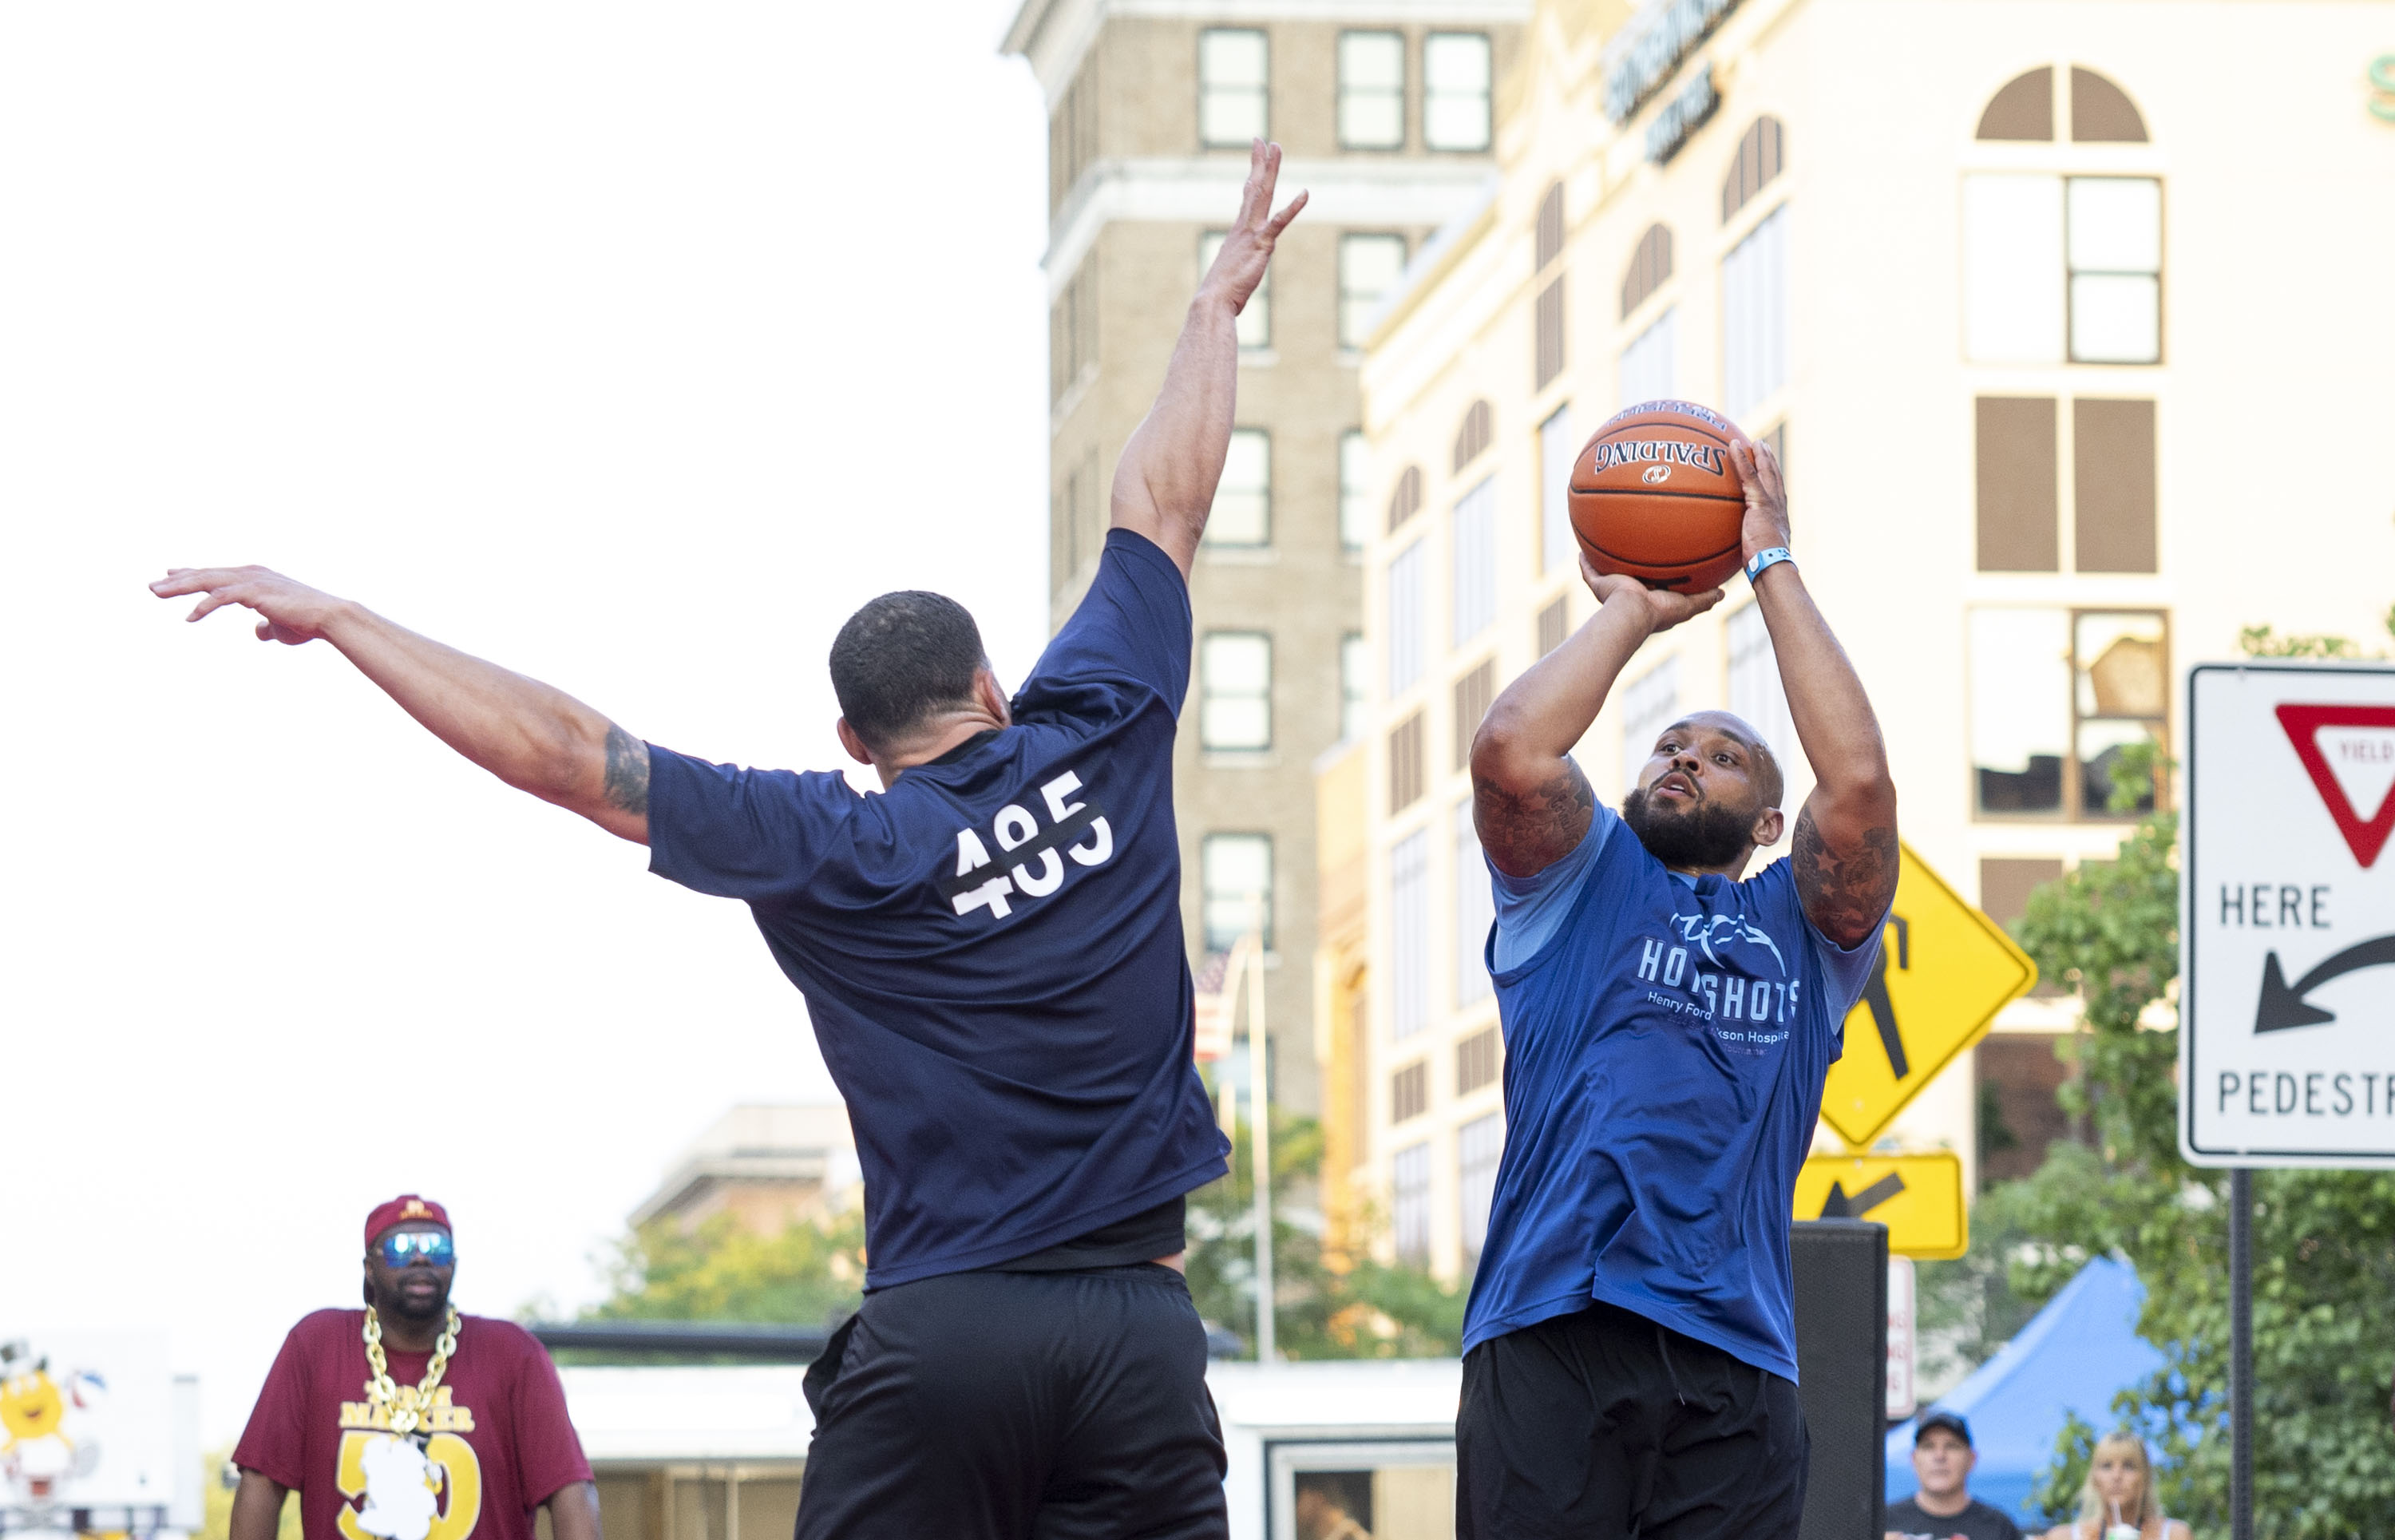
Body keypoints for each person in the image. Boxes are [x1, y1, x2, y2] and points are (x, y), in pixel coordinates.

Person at [157, 141, 1306, 1540]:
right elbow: (1163, 503)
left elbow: (573, 757)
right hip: (1140, 1329)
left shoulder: (823, 834)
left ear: (852, 738)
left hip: (948, 1332)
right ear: (996, 686)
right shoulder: (1100, 723)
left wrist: (342, 616)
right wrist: (1214, 309)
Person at [1455, 415, 1900, 1539]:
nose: (1682, 755)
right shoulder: (1579, 885)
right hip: (1552, 1327)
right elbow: (1512, 749)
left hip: (1734, 1357)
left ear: (1764, 821)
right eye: (1666, 744)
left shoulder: (1802, 929)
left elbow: (1856, 789)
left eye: (1721, 753)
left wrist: (1771, 562)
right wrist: (1629, 612)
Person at [229, 1196, 596, 1540]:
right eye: (400, 1248)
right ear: (370, 1268)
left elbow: (571, 1490)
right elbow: (262, 1481)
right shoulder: (316, 1344)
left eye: (437, 1248)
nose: (421, 1259)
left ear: (453, 1264)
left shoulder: (512, 1353)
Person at [1885, 1410, 2024, 1540]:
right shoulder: (1883, 1522)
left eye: (1952, 1446)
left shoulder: (1999, 1527)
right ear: (1914, 1459)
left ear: (1971, 1459)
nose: (1940, 1456)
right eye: (1928, 1446)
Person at [2039, 1431, 2188, 1540]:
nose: (2117, 1476)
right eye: (2107, 1466)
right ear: (2095, 1479)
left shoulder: (2174, 1535)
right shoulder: (2063, 1537)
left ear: (2145, 1477)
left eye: (2129, 1466)